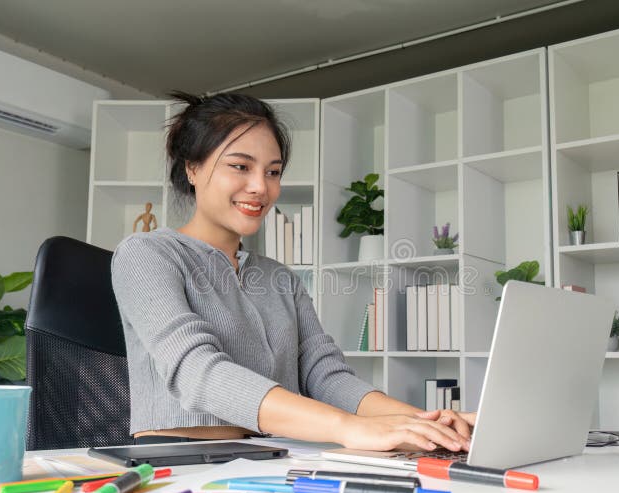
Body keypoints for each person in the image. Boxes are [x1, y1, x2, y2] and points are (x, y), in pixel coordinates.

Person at [111, 91, 475, 451]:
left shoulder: (279, 277)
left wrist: (428, 424)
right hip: (178, 460)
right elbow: (197, 372)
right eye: (240, 166)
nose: (261, 187)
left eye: (273, 172)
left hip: (272, 456)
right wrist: (348, 428)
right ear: (193, 168)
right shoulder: (146, 254)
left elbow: (324, 375)